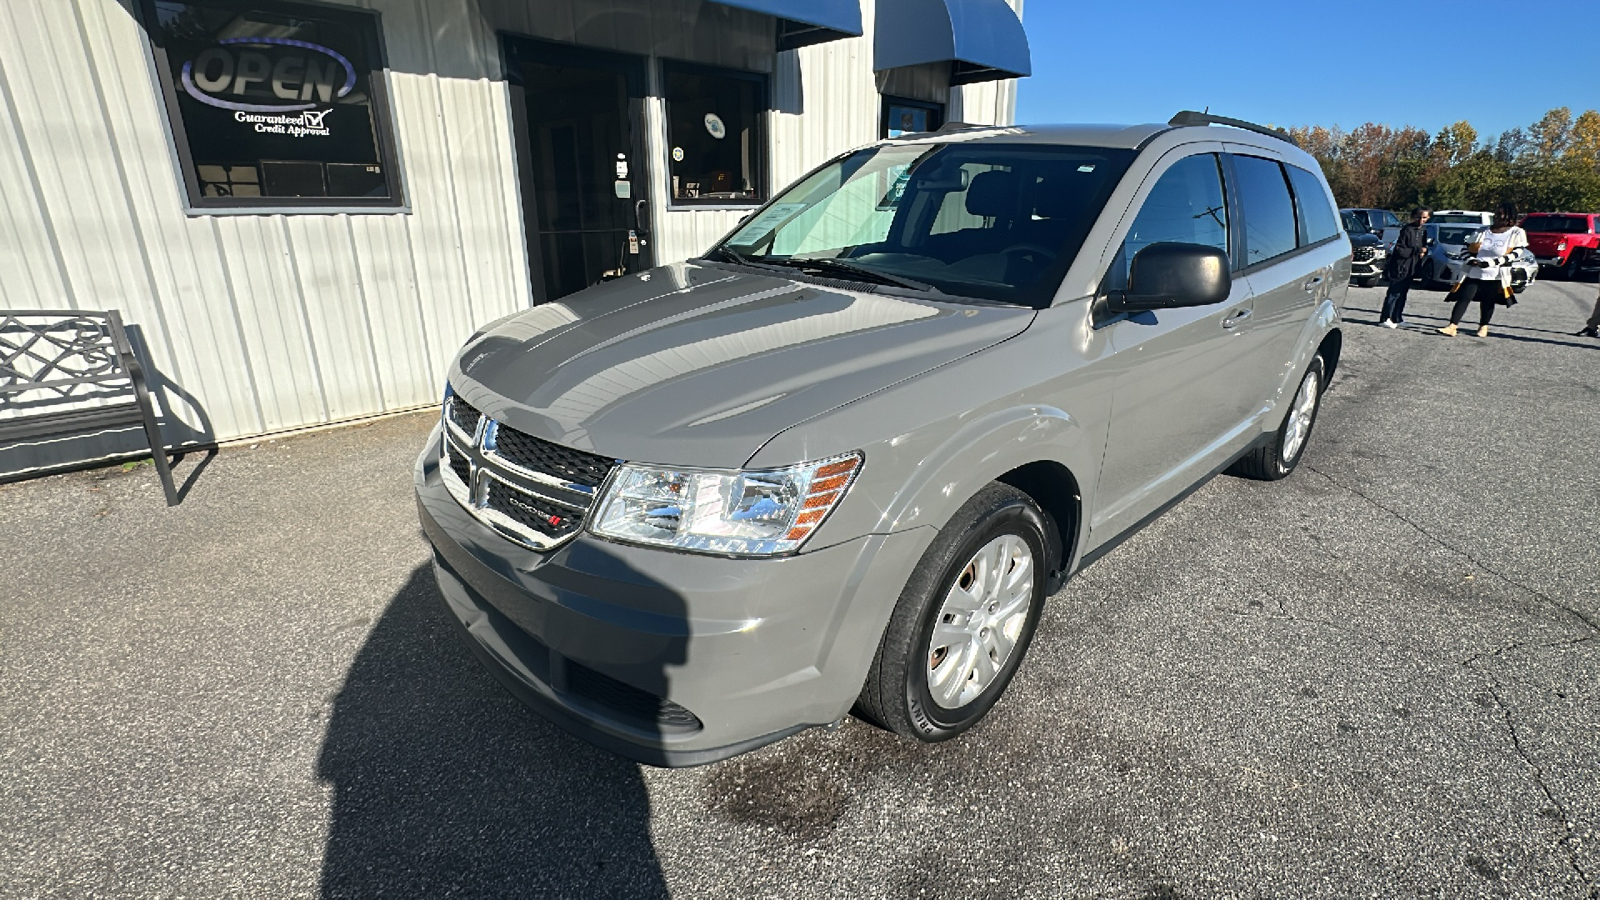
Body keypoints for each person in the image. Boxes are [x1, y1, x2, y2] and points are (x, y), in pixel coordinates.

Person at [1436, 202, 1529, 338]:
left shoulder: (1516, 232)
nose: (1496, 216)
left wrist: (1492, 263)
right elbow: (1465, 248)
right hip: (1474, 271)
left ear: (1509, 216)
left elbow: (1517, 252)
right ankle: (1452, 326)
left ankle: (1483, 326)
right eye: (1496, 213)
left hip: (1495, 274)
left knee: (1488, 300)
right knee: (1463, 297)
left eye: (1500, 213)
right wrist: (1470, 260)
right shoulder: (1482, 230)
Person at [1379, 207, 1430, 327]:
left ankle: (1397, 317)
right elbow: (1399, 249)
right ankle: (1385, 318)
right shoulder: (1407, 229)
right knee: (1394, 292)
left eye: (1424, 218)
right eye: (1419, 217)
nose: (1421, 220)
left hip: (1412, 266)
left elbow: (1423, 246)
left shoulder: (1423, 230)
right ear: (1413, 217)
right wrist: (1417, 250)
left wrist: (1424, 251)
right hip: (1400, 265)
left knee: (1403, 293)